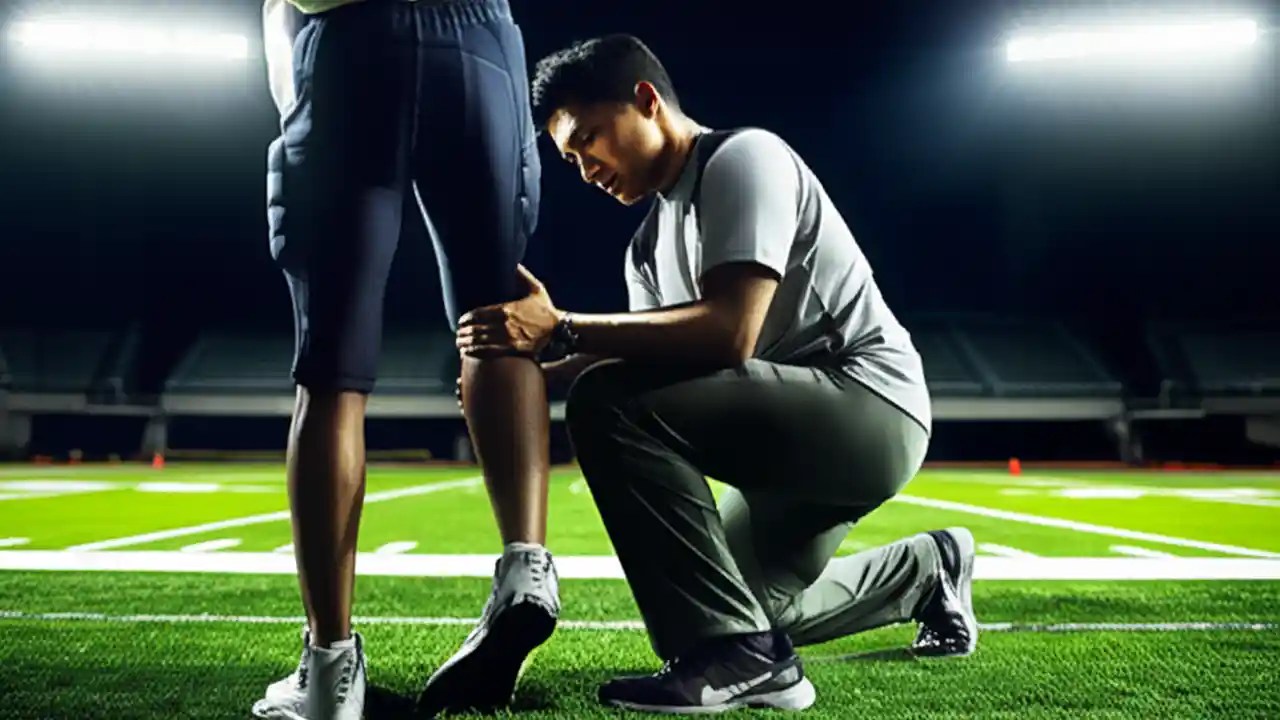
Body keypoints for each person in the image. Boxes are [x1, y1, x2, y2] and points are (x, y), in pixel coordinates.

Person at [457, 34, 978, 715]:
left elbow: (729, 334)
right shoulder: (644, 250)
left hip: (868, 406)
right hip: (790, 434)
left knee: (608, 405)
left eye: (590, 139)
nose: (584, 169)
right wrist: (523, 367)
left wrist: (561, 328)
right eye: (569, 158)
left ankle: (743, 661)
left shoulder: (743, 158)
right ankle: (926, 571)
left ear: (646, 102)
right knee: (743, 605)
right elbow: (652, 359)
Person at [253, 1, 559, 718]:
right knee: (497, 317)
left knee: (330, 369)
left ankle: (329, 669)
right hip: (481, 39)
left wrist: (299, 89)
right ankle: (526, 567)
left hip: (349, 39)